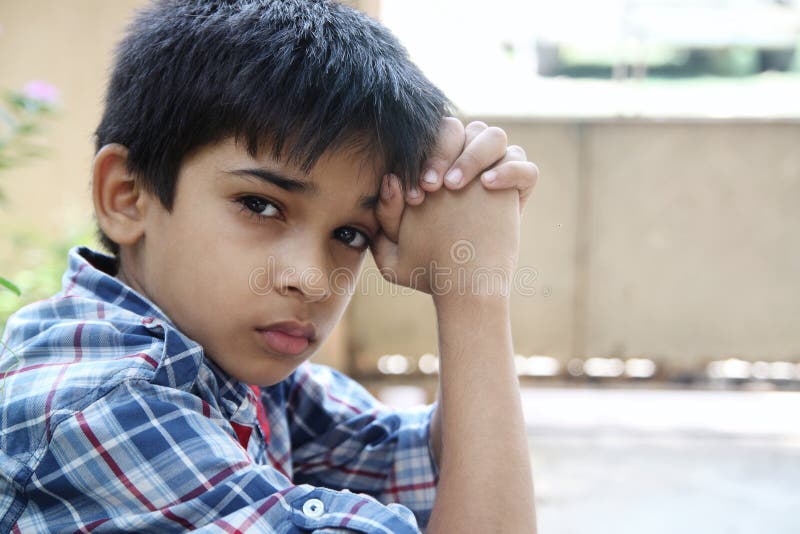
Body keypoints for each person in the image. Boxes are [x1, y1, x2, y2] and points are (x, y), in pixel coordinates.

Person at [0, 0, 538, 532]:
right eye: (260, 205)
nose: (312, 279)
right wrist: (473, 295)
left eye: (350, 234)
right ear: (127, 196)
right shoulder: (108, 405)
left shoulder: (235, 367)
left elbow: (425, 462)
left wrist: (463, 232)